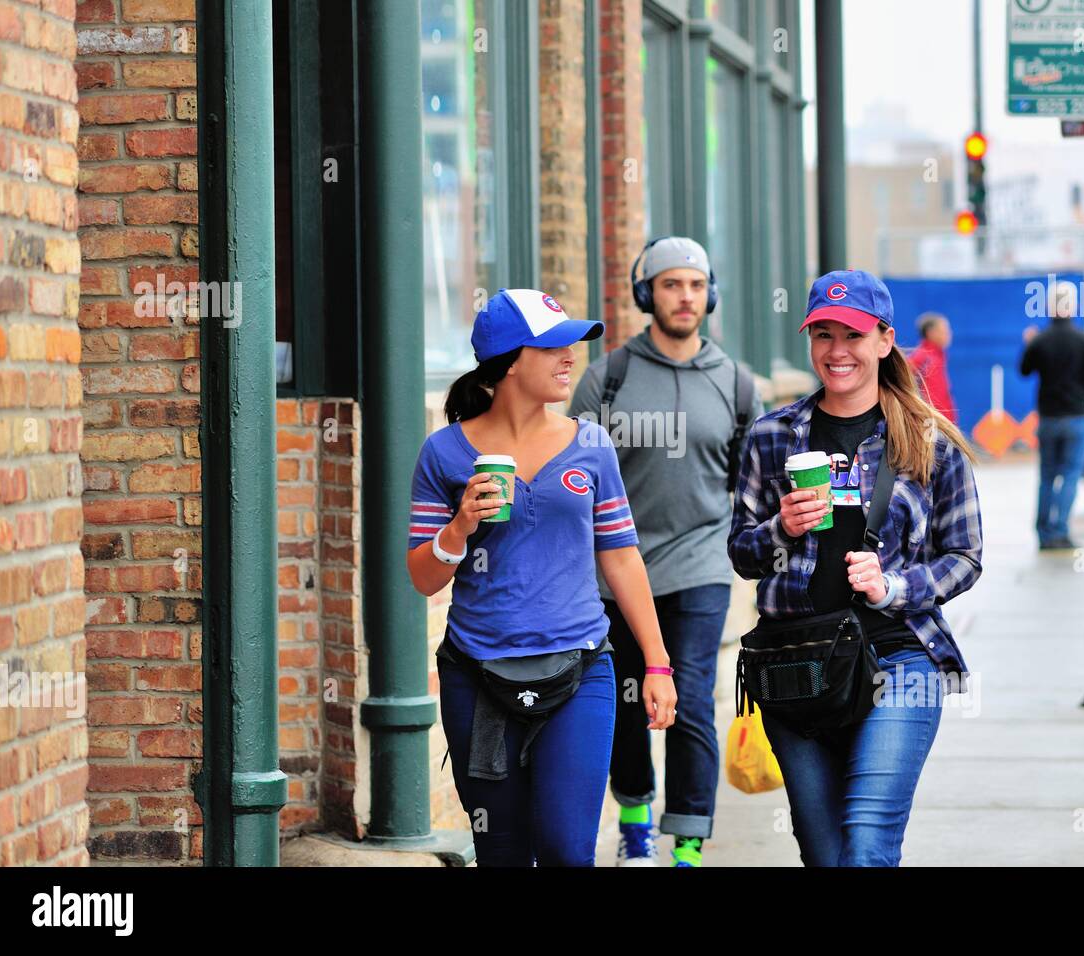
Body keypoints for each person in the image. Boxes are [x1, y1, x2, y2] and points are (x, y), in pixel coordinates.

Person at [407, 288, 677, 867]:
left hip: (580, 670)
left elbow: (622, 556)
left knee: (564, 848)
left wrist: (656, 664)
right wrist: (459, 527)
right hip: (476, 677)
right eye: (553, 345)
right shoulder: (443, 454)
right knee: (500, 852)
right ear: (508, 361)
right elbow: (423, 579)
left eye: (572, 343)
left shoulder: (591, 445)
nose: (571, 356)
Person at [727, 269, 982, 867]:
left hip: (899, 658)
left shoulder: (927, 440)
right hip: (798, 664)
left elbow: (965, 557)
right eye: (823, 336)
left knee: (866, 845)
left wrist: (895, 584)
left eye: (853, 335)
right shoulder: (772, 436)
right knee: (825, 854)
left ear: (885, 341)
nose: (837, 352)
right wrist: (779, 528)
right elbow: (740, 553)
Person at [570, 236, 763, 867]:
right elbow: (573, 477)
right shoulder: (607, 379)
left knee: (690, 699)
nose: (685, 296)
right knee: (626, 700)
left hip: (702, 566)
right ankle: (633, 820)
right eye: (672, 284)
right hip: (617, 574)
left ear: (711, 295)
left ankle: (686, 843)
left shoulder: (737, 384)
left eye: (697, 285)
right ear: (645, 292)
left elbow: (749, 481)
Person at [1019, 281, 1084, 550]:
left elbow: (1024, 370)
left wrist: (1029, 344)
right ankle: (1060, 531)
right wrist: (1081, 382)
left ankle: (1044, 533)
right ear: (1073, 307)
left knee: (1047, 476)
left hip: (1048, 418)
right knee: (1069, 475)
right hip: (1076, 416)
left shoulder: (1040, 340)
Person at [907, 312, 957, 424]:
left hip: (944, 424)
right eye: (944, 331)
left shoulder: (938, 356)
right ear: (931, 333)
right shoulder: (922, 357)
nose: (949, 334)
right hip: (930, 425)